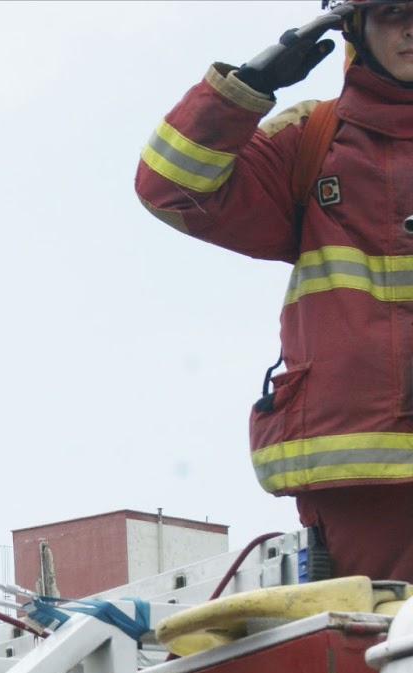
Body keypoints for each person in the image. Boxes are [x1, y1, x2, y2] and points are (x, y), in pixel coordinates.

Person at [136, 0, 413, 583]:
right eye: (393, 12)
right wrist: (246, 87)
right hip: (361, 479)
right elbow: (170, 187)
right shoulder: (311, 139)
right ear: (354, 27)